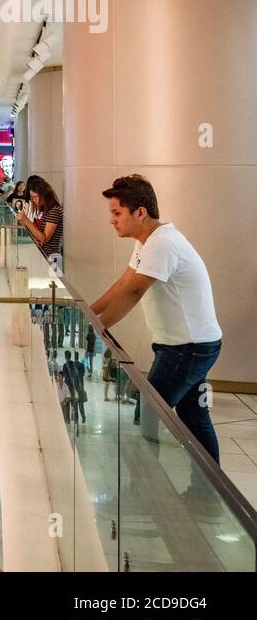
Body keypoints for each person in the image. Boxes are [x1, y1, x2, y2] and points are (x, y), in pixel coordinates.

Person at [91, 175, 222, 460]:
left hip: (188, 348)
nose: (112, 220)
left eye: (116, 213)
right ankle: (206, 493)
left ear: (140, 212)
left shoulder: (163, 243)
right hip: (187, 345)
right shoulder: (147, 241)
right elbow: (124, 284)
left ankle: (145, 485)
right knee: (194, 417)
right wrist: (90, 313)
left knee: (147, 415)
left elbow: (134, 292)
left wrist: (95, 330)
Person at [17, 175, 64, 273]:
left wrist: (26, 220)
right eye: (32, 197)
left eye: (35, 197)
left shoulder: (54, 210)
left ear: (44, 195)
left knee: (53, 285)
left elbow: (44, 238)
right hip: (45, 256)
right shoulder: (47, 210)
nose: (33, 200)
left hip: (52, 258)